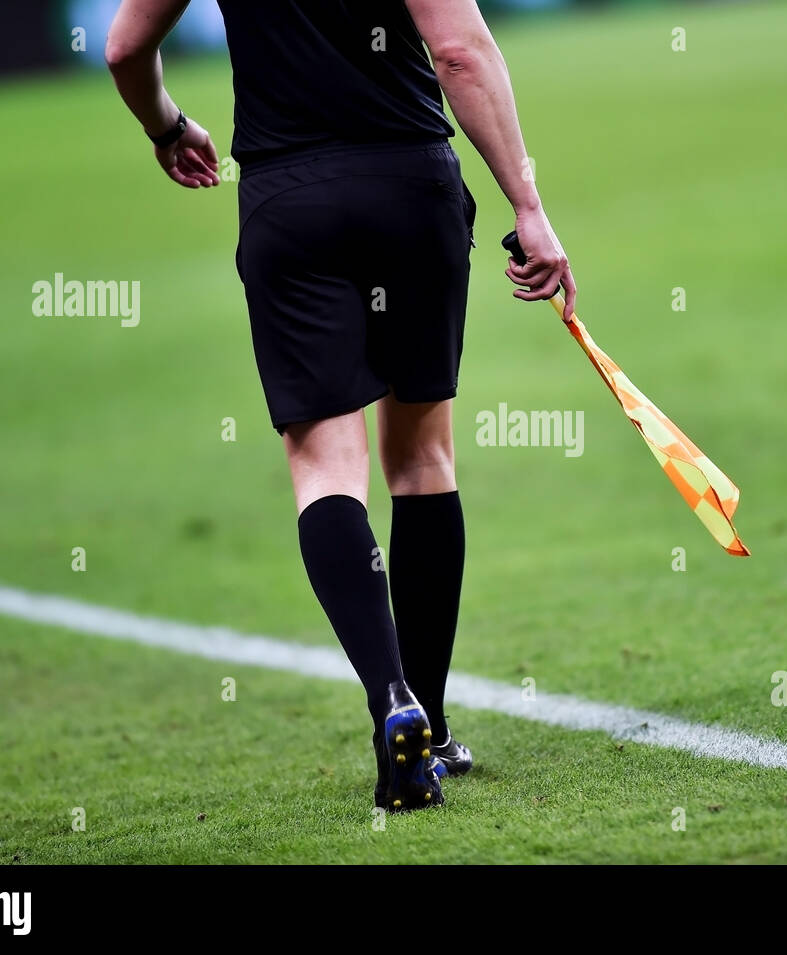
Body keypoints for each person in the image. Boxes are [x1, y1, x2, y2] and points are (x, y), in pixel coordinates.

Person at [106, 0, 577, 812]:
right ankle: (428, 715)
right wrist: (527, 206)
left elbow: (124, 49)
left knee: (327, 468)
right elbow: (458, 51)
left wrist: (167, 125)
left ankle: (391, 697)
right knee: (423, 458)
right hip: (412, 189)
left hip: (291, 202)